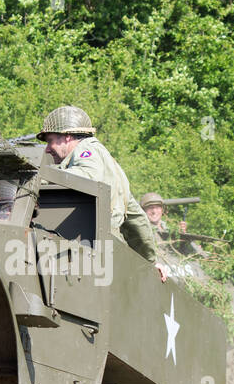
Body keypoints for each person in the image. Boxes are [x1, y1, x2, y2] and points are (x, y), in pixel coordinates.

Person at [37, 106, 168, 282]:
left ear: (67, 136)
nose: (47, 149)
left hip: (88, 255)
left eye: (50, 140)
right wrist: (150, 261)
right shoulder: (113, 167)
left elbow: (89, 177)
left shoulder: (87, 151)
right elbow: (138, 221)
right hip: (106, 255)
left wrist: (41, 177)